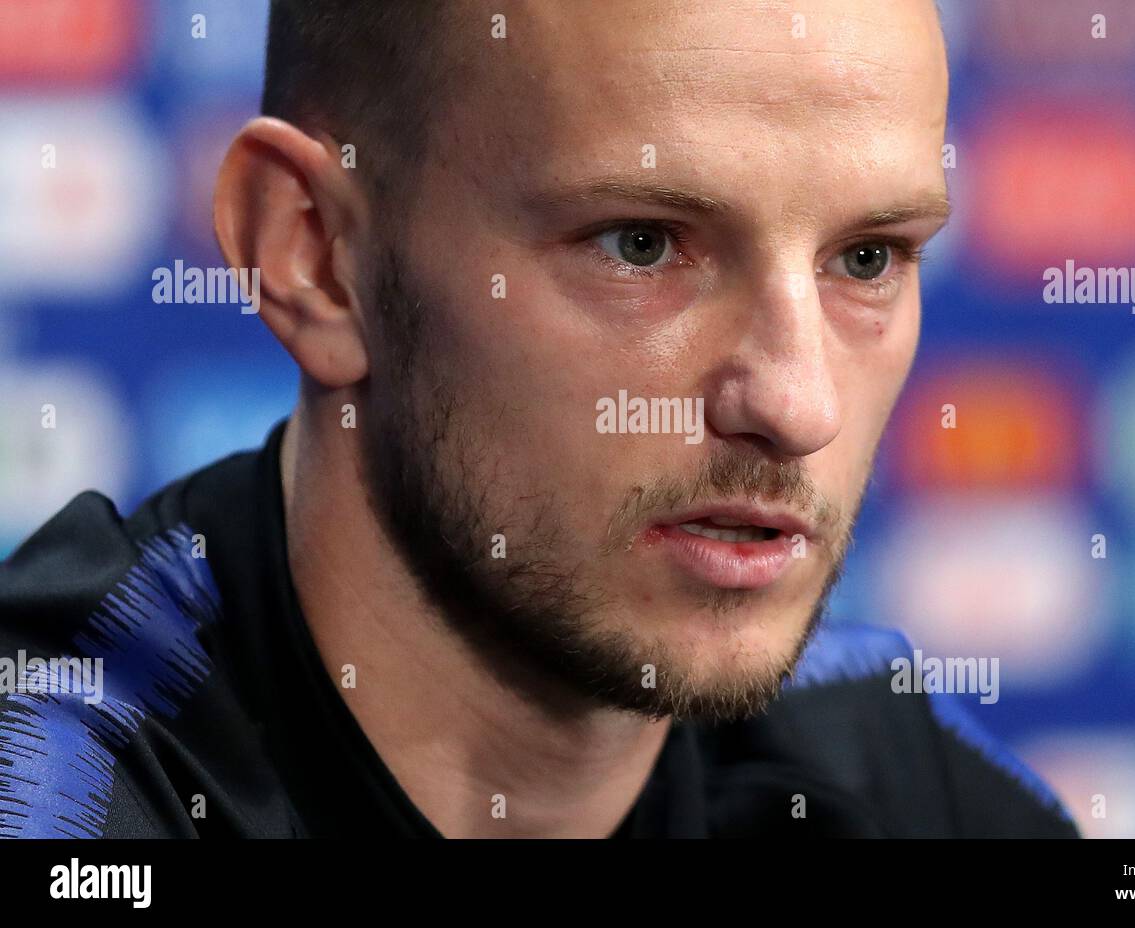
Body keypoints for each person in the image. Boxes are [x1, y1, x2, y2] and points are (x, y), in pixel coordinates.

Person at [0, 0, 1079, 838]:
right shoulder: (52, 790)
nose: (798, 405)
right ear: (316, 258)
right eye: (643, 244)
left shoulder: (902, 778)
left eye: (866, 258)